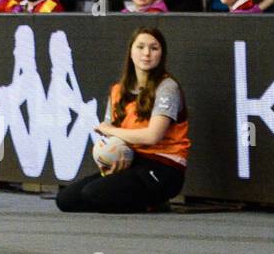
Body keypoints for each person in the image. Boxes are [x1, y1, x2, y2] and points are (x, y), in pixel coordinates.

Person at [57, 27, 189, 213]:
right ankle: (133, 195)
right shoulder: (118, 90)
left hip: (164, 168)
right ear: (131, 52)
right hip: (131, 161)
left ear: (162, 54)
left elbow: (152, 136)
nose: (146, 53)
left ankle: (154, 202)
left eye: (154, 48)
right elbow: (109, 139)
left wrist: (110, 130)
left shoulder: (167, 87)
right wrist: (107, 164)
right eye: (140, 47)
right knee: (66, 199)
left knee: (95, 194)